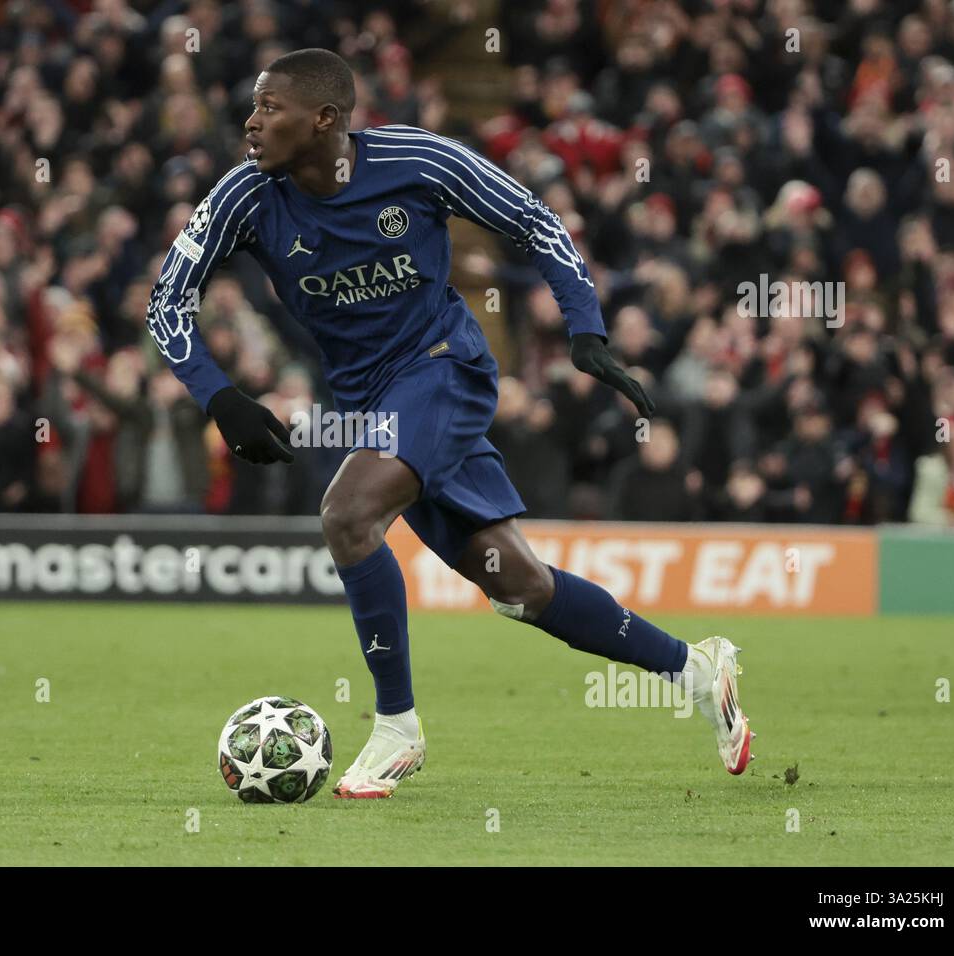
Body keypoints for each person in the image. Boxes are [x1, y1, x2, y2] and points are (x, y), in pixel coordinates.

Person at [145, 49, 755, 798]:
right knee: (519, 587)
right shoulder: (245, 195)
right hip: (373, 402)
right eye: (254, 104)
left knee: (346, 514)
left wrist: (585, 326)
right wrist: (219, 396)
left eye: (271, 107)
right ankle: (696, 669)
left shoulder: (420, 160)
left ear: (326, 120)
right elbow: (164, 302)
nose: (252, 119)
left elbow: (533, 221)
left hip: (444, 368)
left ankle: (397, 726)